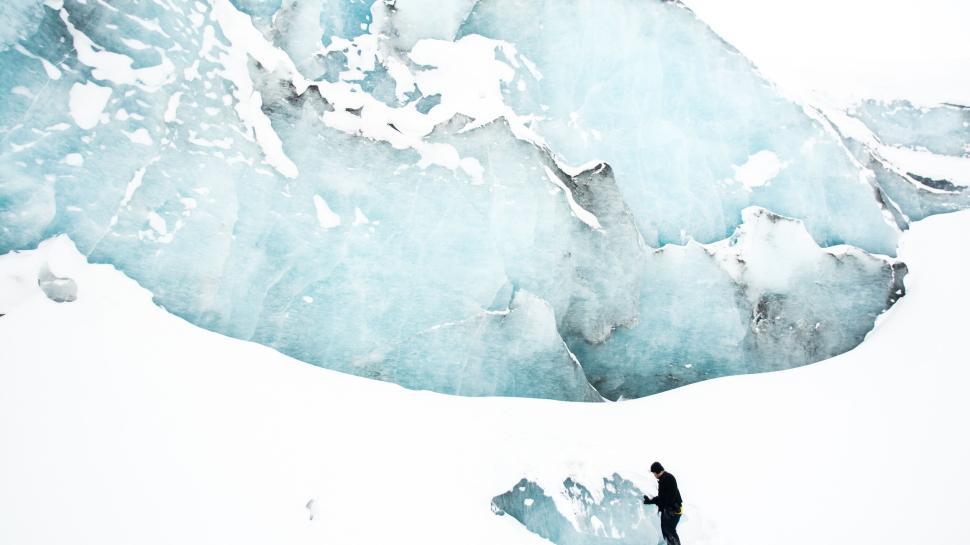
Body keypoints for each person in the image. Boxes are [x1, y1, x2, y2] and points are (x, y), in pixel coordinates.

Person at [643, 461, 683, 545]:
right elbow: (662, 497)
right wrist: (650, 501)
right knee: (666, 531)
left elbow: (669, 497)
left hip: (673, 510)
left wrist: (666, 507)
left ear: (657, 471)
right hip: (669, 510)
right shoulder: (664, 479)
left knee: (669, 530)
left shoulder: (668, 478)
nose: (654, 475)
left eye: (654, 473)